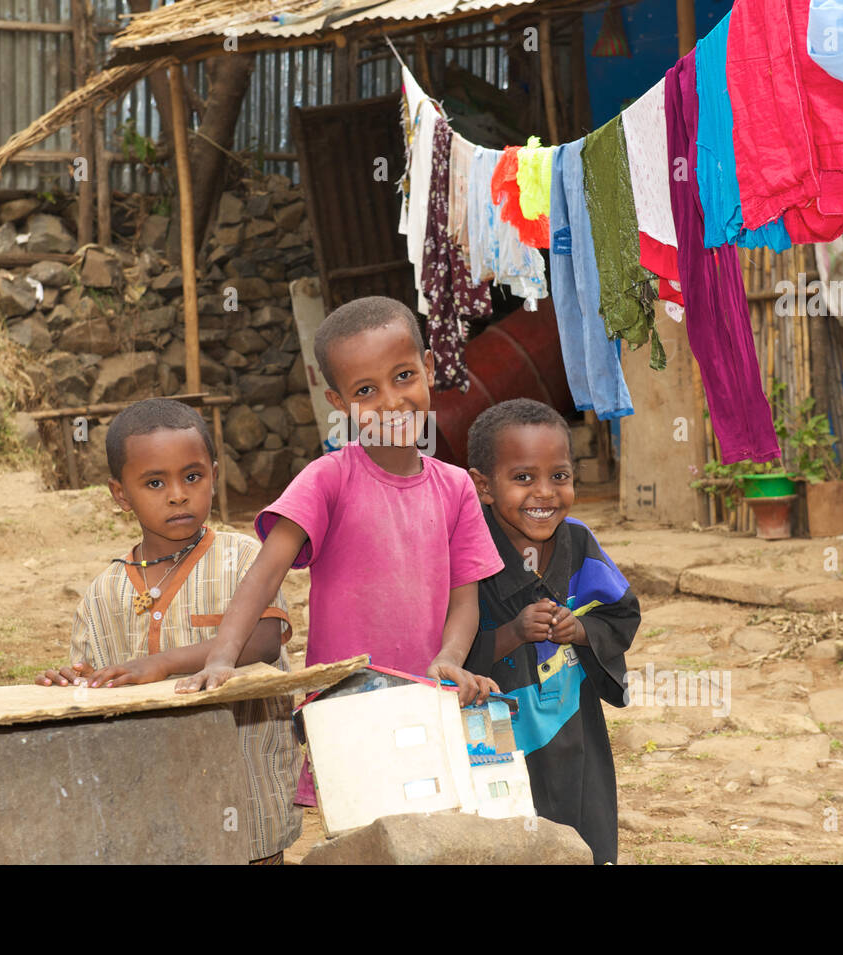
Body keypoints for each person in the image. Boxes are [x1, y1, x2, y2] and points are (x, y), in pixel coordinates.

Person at [176, 296, 505, 806]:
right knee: (360, 833)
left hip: (428, 705)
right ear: (338, 401)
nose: (392, 402)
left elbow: (465, 601)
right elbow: (265, 576)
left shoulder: (457, 487)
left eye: (403, 376)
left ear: (430, 368)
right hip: (345, 711)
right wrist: (223, 658)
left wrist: (450, 658)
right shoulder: (329, 479)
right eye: (366, 390)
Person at [35, 398, 300, 865]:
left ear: (214, 475)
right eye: (155, 482)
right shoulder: (101, 596)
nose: (178, 494)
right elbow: (95, 692)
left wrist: (157, 665)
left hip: (245, 812)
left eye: (192, 477)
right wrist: (73, 683)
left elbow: (261, 642)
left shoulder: (244, 559)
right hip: (149, 819)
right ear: (121, 495)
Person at [464, 398, 641, 863]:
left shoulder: (579, 541)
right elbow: (444, 651)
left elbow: (622, 613)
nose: (544, 493)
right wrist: (513, 633)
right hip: (496, 736)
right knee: (503, 835)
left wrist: (580, 631)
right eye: (523, 478)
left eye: (559, 476)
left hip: (573, 725)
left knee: (585, 834)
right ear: (483, 485)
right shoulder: (467, 551)